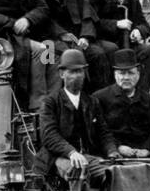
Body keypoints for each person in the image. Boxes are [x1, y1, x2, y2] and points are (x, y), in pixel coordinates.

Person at [35, 0, 110, 89]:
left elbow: (87, 16)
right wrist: (61, 34)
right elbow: (40, 18)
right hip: (49, 39)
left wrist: (85, 37)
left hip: (77, 39)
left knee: (99, 54)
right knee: (60, 59)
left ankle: (99, 99)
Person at [38, 49, 120, 181]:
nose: (76, 76)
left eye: (80, 71)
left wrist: (112, 151)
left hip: (87, 157)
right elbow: (49, 135)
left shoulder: (92, 102)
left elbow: (103, 132)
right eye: (72, 72)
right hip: (57, 158)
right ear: (61, 74)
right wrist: (71, 152)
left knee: (113, 172)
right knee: (76, 170)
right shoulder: (50, 102)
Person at [93, 48, 150, 158]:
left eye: (131, 73)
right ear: (115, 74)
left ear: (138, 74)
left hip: (144, 156)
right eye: (122, 73)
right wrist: (117, 147)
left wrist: (148, 150)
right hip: (113, 156)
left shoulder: (149, 100)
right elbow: (98, 132)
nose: (126, 77)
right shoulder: (100, 98)